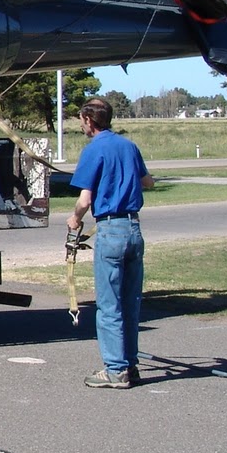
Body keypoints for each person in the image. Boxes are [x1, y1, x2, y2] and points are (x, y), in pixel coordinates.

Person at [67, 96, 156, 389]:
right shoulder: (128, 146)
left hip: (110, 229)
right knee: (130, 303)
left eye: (82, 121)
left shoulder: (94, 149)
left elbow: (85, 200)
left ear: (89, 120)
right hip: (133, 228)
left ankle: (116, 370)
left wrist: (75, 219)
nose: (81, 126)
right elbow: (148, 182)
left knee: (109, 306)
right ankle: (130, 365)